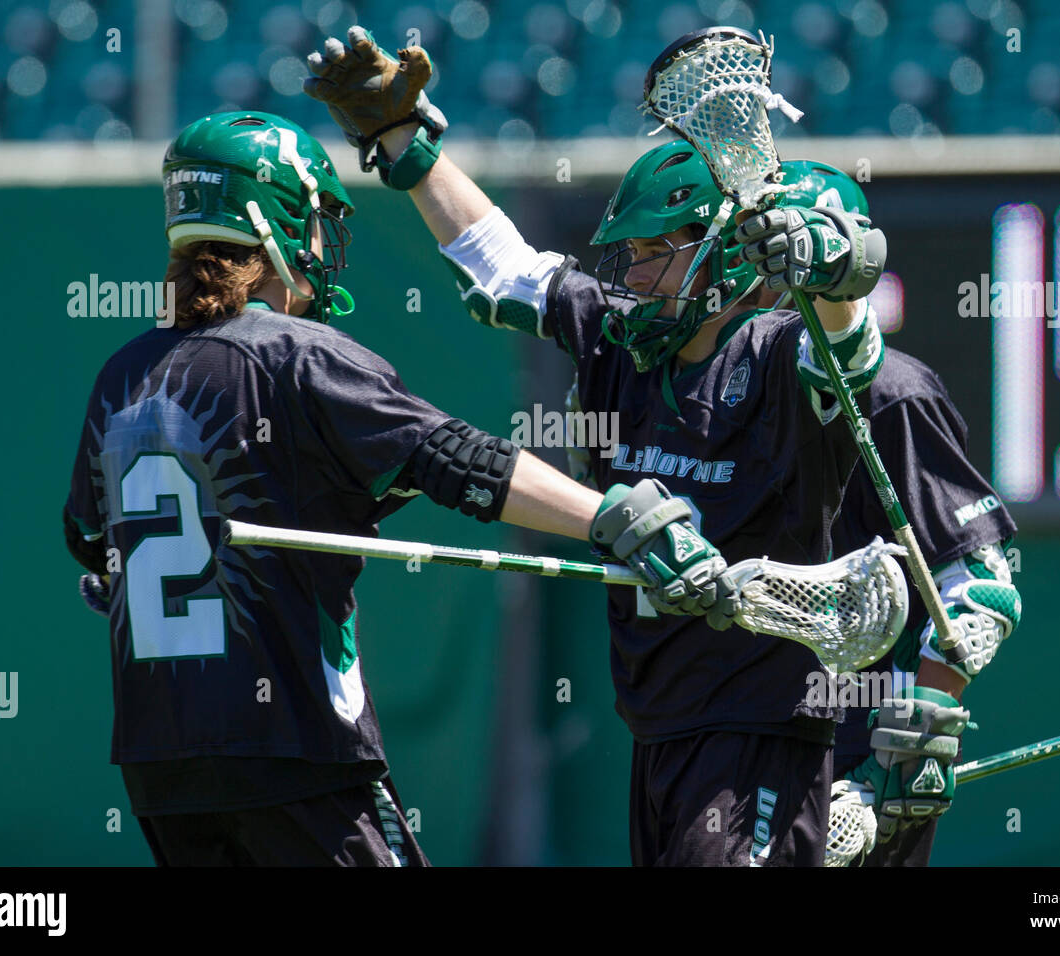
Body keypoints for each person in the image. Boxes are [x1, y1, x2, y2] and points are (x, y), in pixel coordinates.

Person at [61, 110, 736, 867]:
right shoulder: (297, 354)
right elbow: (457, 459)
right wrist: (616, 517)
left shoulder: (120, 376)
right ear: (273, 219)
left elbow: (92, 542)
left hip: (162, 765)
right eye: (314, 222)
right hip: (294, 747)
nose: (321, 247)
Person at [303, 28, 890, 866]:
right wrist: (405, 145)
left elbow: (852, 340)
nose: (636, 272)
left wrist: (831, 260)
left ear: (720, 258)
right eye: (632, 252)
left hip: (759, 731)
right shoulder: (619, 336)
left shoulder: (781, 356)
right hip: (658, 730)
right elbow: (499, 269)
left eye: (658, 253)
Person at [773, 163, 1022, 867]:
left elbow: (977, 582)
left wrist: (916, 738)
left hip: (855, 754)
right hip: (744, 727)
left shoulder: (895, 396)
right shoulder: (729, 384)